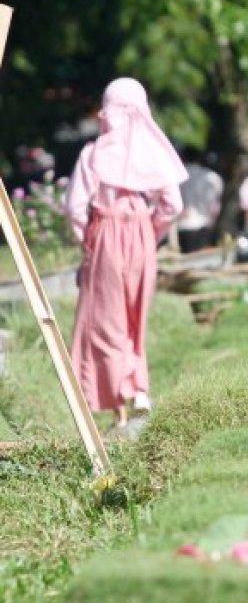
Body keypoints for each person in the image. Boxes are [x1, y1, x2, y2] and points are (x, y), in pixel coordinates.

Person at [64, 78, 184, 435]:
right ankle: (139, 387)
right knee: (136, 317)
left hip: (107, 231)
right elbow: (172, 205)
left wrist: (87, 241)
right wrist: (152, 232)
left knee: (106, 321)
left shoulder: (94, 153)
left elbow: (75, 208)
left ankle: (117, 404)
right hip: (142, 233)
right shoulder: (155, 153)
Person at [177, 148, 223, 253]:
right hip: (203, 224)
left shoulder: (177, 176)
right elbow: (215, 206)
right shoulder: (212, 177)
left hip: (181, 224)